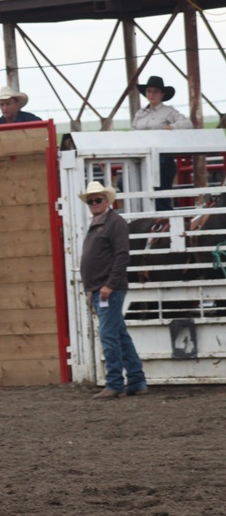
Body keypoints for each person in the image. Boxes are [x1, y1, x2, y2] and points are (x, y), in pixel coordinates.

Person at [78, 181, 147, 400]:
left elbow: (121, 256)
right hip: (102, 288)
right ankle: (136, 380)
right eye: (91, 200)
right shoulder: (101, 223)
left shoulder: (114, 223)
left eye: (98, 199)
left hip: (109, 288)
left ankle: (115, 383)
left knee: (109, 336)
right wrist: (94, 289)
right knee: (118, 335)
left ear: (107, 201)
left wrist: (108, 285)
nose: (94, 203)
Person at [132, 76, 192, 211]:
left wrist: (172, 127)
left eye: (155, 91)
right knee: (125, 183)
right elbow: (133, 132)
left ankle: (167, 225)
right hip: (142, 158)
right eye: (149, 91)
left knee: (160, 196)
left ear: (162, 94)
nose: (151, 94)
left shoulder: (169, 111)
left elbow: (187, 124)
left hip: (162, 159)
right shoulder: (140, 113)